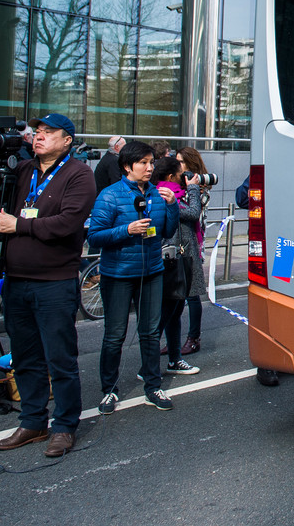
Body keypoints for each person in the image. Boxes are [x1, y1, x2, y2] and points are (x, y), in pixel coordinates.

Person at [0, 112, 96, 458]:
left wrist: (19, 226)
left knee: (59, 358)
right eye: (37, 131)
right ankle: (32, 421)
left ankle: (64, 426)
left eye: (49, 132)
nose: (39, 136)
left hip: (54, 282)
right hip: (16, 281)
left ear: (67, 140)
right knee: (26, 357)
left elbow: (66, 223)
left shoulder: (79, 175)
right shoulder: (23, 169)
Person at [89, 139, 179, 414]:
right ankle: (109, 390)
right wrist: (126, 230)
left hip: (152, 272)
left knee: (150, 333)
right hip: (117, 274)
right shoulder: (110, 195)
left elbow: (166, 232)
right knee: (115, 335)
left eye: (152, 162)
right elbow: (94, 236)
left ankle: (153, 387)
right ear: (128, 166)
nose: (150, 168)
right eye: (143, 163)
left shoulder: (157, 194)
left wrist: (173, 206)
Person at [151, 156, 201, 376]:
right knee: (165, 314)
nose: (185, 177)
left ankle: (174, 359)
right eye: (182, 174)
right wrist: (193, 190)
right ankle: (148, 366)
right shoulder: (165, 194)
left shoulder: (172, 192)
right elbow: (192, 213)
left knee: (175, 312)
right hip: (172, 260)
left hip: (182, 258)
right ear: (171, 176)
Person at [175, 146, 211, 355]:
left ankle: (193, 337)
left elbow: (192, 212)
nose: (177, 165)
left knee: (192, 294)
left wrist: (192, 188)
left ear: (190, 165)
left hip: (193, 244)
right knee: (177, 294)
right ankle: (174, 341)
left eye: (180, 162)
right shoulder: (178, 185)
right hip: (177, 243)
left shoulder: (200, 189)